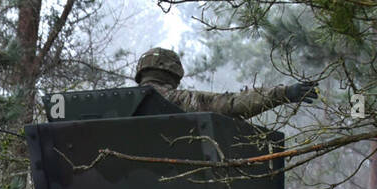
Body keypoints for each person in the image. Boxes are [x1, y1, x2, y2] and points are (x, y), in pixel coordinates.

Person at [134, 47, 318, 119]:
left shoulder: (110, 102)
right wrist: (284, 93)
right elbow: (231, 104)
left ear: (141, 72)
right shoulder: (175, 100)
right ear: (173, 74)